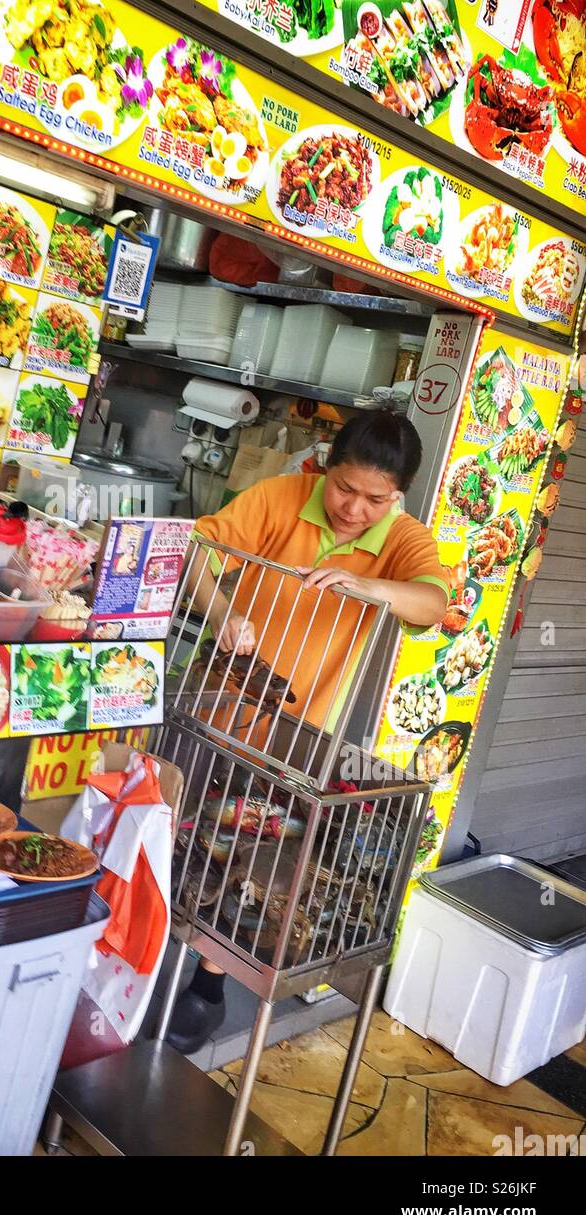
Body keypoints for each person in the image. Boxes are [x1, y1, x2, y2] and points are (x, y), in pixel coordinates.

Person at [166, 409, 448, 1054]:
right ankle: (142, 938)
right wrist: (224, 608)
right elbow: (193, 549)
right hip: (217, 692)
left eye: (376, 498)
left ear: (398, 495)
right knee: (172, 823)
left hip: (298, 725)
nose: (354, 508)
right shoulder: (281, 497)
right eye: (345, 488)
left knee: (250, 855)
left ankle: (207, 984)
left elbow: (433, 603)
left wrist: (367, 584)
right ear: (324, 466)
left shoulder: (402, 537)